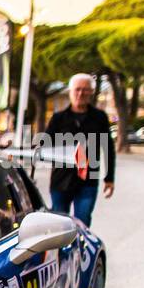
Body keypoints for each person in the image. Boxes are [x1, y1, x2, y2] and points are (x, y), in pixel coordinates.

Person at [42, 72, 116, 226]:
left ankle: (80, 250)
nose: (81, 93)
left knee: (83, 224)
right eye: (77, 89)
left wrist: (109, 178)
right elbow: (45, 147)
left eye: (85, 89)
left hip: (88, 181)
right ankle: (61, 251)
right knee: (58, 226)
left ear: (91, 92)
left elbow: (108, 148)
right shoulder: (58, 118)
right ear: (70, 92)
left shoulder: (100, 117)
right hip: (61, 180)